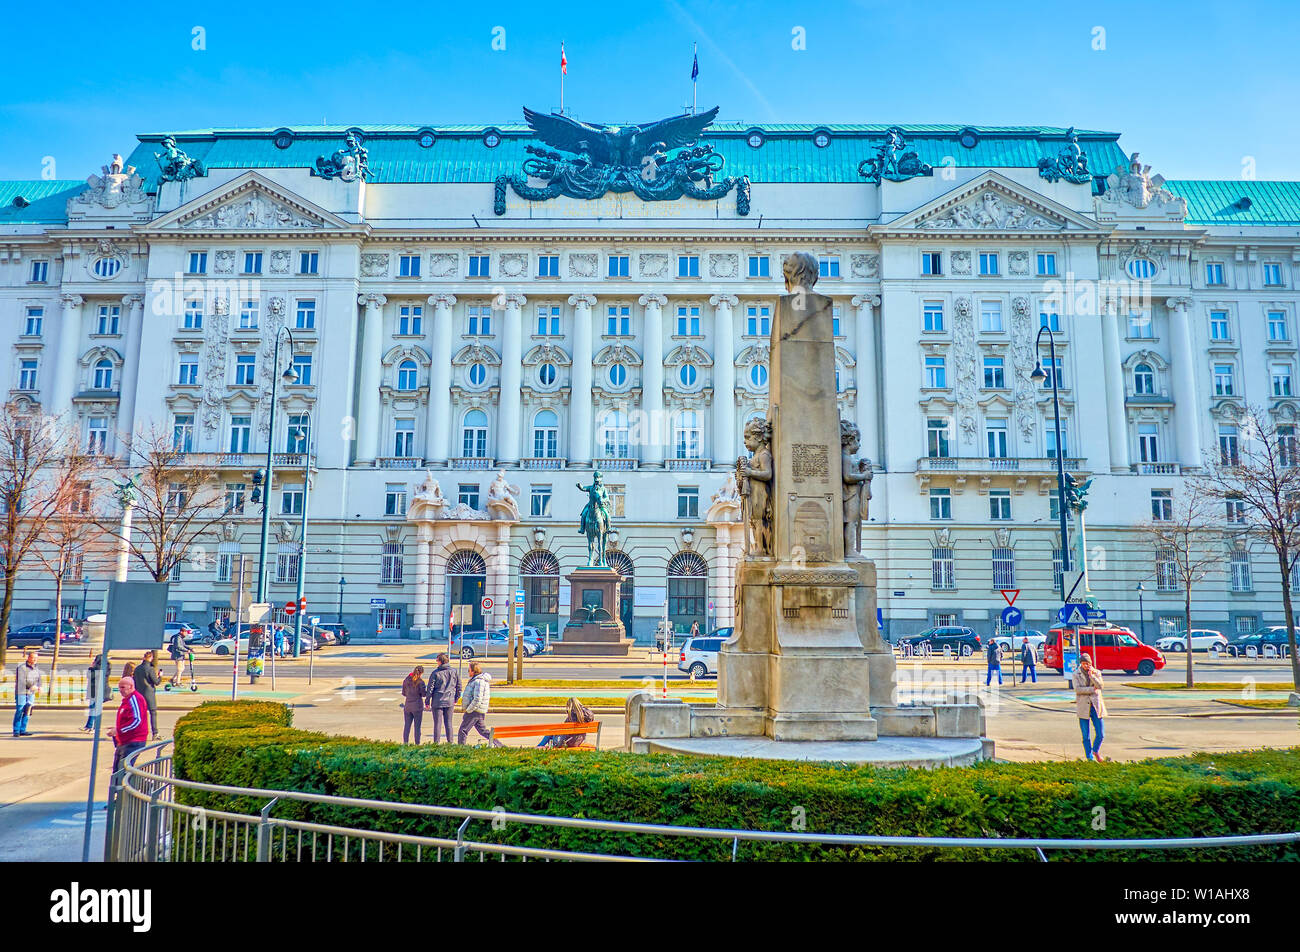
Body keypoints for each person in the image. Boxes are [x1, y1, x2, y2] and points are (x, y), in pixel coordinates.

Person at [457, 662, 503, 746]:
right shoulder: (477, 680)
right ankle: (500, 745)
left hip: (474, 711)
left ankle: (460, 749)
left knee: (463, 730)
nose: (468, 672)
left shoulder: (478, 682)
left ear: (473, 671)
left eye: (469, 670)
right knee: (483, 731)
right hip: (477, 711)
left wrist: (469, 710)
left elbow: (477, 699)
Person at [111, 676, 149, 774]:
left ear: (131, 686)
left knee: (123, 772)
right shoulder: (127, 700)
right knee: (117, 771)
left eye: (123, 687)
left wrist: (119, 730)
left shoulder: (134, 699)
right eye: (119, 687)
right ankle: (118, 788)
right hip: (124, 741)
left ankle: (146, 786)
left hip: (133, 741)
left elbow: (137, 720)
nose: (120, 690)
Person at [1074, 653, 1107, 761]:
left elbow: (1100, 686)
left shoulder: (1096, 672)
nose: (1086, 666)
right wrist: (1092, 690)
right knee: (1085, 735)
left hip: (1096, 706)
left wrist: (1092, 676)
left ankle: (1095, 750)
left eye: (1087, 664)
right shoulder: (1076, 674)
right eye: (1084, 664)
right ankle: (1089, 757)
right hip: (1083, 707)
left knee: (1101, 734)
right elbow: (1078, 689)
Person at [425, 653, 461, 744]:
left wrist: (427, 701)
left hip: (437, 701)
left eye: (437, 660)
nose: (436, 662)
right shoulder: (454, 671)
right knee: (449, 723)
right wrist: (456, 698)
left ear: (440, 661)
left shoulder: (435, 673)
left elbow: (430, 689)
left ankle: (436, 743)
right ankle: (450, 742)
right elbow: (459, 686)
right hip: (449, 700)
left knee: (437, 724)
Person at [133, 651, 162, 741]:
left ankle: (139, 733)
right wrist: (160, 676)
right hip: (149, 694)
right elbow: (156, 682)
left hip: (139, 694)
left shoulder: (137, 669)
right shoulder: (150, 669)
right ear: (151, 658)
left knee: (141, 714)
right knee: (153, 713)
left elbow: (134, 681)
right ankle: (155, 733)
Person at [12, 651, 42, 736]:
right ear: (28, 658)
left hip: (31, 693)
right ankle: (16, 730)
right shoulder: (22, 667)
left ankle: (23, 730)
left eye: (36, 658)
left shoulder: (36, 667)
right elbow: (22, 680)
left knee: (27, 711)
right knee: (20, 710)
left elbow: (39, 678)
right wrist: (32, 686)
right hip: (21, 692)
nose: (35, 659)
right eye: (33, 658)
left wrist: (40, 686)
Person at [401, 666, 426, 744]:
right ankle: (417, 743)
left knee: (407, 726)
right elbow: (423, 694)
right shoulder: (421, 682)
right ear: (421, 673)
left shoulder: (406, 680)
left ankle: (405, 743)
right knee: (417, 727)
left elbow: (403, 693)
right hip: (417, 706)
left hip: (408, 705)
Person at [83, 654, 103, 732]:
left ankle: (91, 726)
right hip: (96, 691)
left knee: (93, 709)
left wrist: (91, 667)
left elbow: (89, 676)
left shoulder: (96, 669)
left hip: (94, 691)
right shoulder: (103, 668)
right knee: (94, 709)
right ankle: (90, 726)